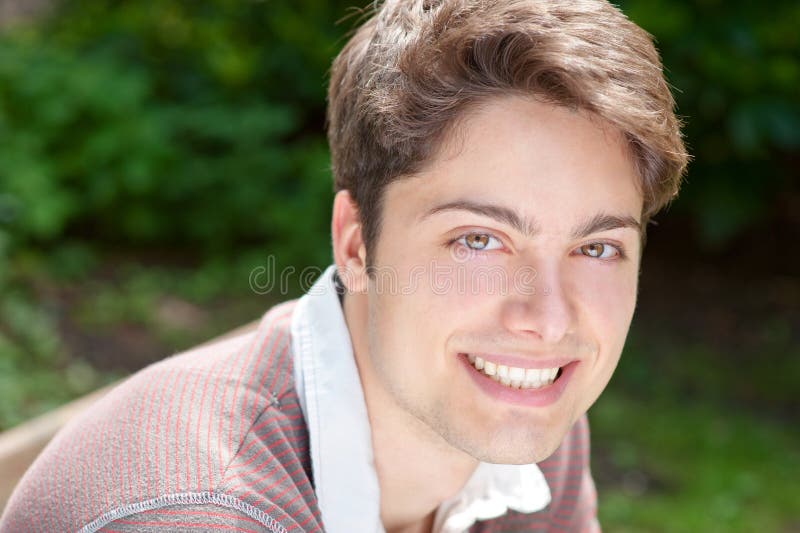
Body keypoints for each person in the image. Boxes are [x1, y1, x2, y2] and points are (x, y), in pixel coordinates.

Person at [0, 0, 687, 531]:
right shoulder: (196, 512)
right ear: (356, 245)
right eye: (479, 240)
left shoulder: (528, 418)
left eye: (597, 248)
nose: (548, 321)